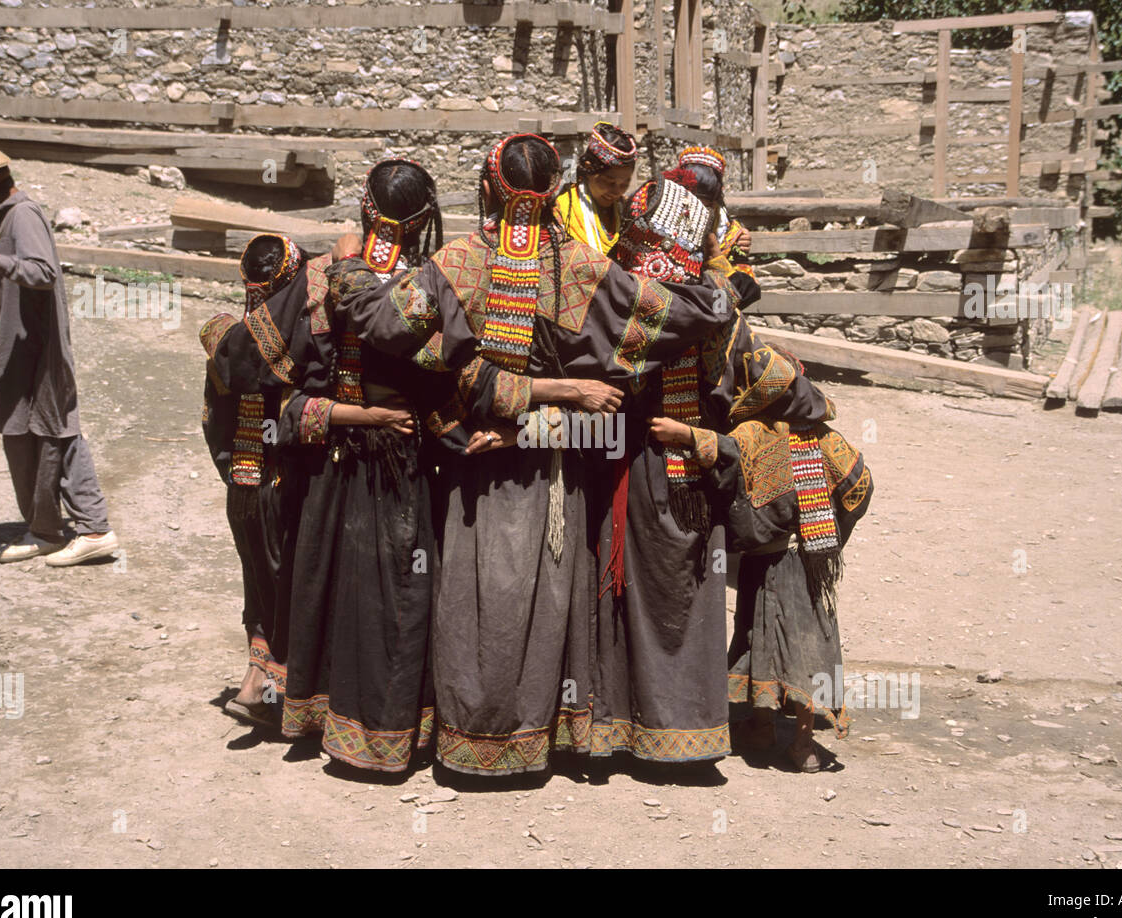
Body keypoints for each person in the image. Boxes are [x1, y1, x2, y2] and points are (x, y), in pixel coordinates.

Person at [341, 133, 740, 776]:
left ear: (489, 189)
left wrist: (352, 265)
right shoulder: (582, 265)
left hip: (479, 459)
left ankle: (474, 738)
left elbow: (385, 323)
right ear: (557, 190)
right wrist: (722, 276)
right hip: (556, 459)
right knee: (550, 588)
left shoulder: (459, 261)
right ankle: (541, 736)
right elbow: (676, 315)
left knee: (479, 589)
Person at [588, 173, 828, 765]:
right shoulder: (711, 307)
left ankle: (615, 727)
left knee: (620, 594)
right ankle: (682, 731)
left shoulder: (612, 294)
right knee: (683, 598)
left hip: (611, 465)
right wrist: (815, 405)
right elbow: (764, 376)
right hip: (683, 471)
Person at [273, 159, 456, 771]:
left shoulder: (322, 274)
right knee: (396, 595)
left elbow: (283, 380)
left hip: (334, 460)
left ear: (365, 208)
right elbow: (446, 375)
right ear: (425, 218)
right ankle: (387, 732)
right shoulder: (432, 280)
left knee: (329, 584)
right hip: (402, 460)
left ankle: (328, 718)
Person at [650, 345, 874, 771]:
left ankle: (770, 727)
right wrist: (826, 538)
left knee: (759, 635)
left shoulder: (753, 434)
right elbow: (860, 486)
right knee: (808, 642)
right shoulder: (826, 439)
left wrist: (685, 436)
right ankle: (795, 741)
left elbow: (723, 455)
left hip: (764, 560)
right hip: (808, 562)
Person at [0, 144, 118, 566]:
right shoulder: (8, 215)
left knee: (57, 431)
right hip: (26, 350)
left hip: (41, 353)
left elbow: (43, 272)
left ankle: (92, 528)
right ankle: (47, 529)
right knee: (28, 434)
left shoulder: (23, 216)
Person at [201, 233, 332, 724]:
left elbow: (214, 419)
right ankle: (277, 690)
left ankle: (258, 681)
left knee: (259, 580)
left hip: (245, 483)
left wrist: (234, 472)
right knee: (288, 582)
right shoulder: (305, 342)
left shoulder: (228, 338)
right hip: (288, 485)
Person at [670, 145, 757, 287]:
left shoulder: (731, 235)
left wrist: (717, 257)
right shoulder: (660, 222)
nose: (698, 212)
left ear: (716, 199)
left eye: (706, 206)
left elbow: (747, 291)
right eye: (691, 204)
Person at [552, 120, 637, 254]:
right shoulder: (562, 213)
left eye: (625, 183)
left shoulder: (628, 212)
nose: (617, 191)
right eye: (609, 182)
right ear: (588, 168)